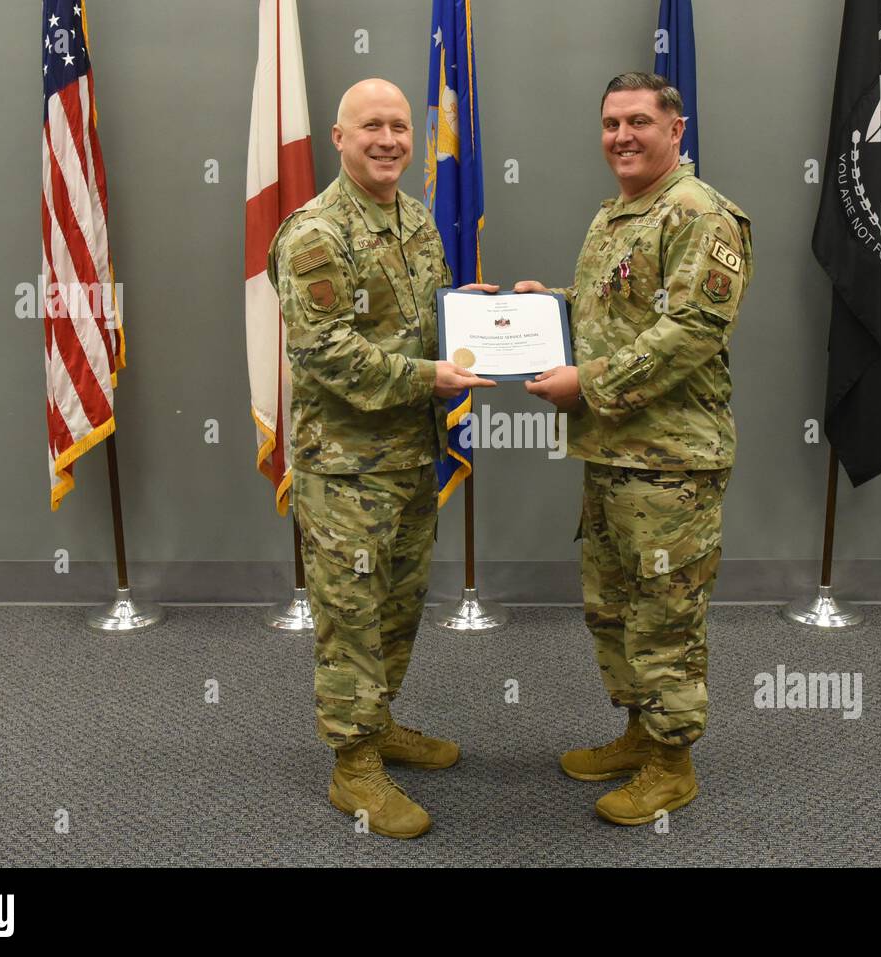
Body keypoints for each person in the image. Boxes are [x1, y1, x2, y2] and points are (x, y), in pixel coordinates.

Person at [518, 72, 753, 825]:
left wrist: (585, 381)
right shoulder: (618, 214)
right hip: (614, 454)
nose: (623, 135)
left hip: (671, 464)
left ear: (675, 131)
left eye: (640, 122)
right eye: (612, 122)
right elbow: (615, 315)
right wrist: (547, 309)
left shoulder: (699, 214)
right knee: (614, 610)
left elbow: (690, 331)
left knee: (665, 616)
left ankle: (673, 760)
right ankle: (637, 733)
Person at [267, 78, 494, 839]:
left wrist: (482, 318)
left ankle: (381, 721)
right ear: (339, 137)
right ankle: (352, 763)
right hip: (345, 471)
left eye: (400, 125)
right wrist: (431, 375)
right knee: (351, 617)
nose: (390, 138)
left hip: (407, 458)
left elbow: (428, 320)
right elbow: (326, 353)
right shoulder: (315, 235)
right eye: (372, 126)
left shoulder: (415, 219)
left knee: (399, 604)